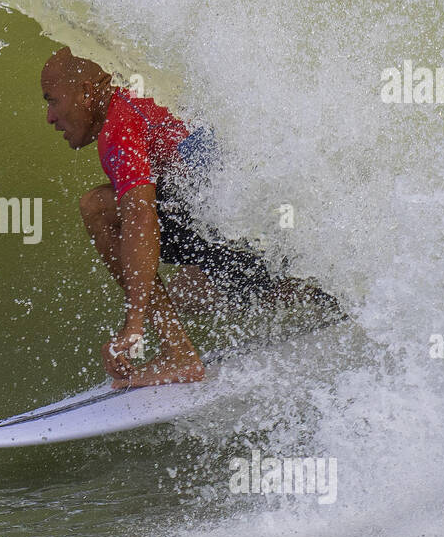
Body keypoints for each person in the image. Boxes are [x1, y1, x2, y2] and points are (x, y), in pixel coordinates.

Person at [40, 46, 337, 389]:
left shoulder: (119, 128)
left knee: (96, 206)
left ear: (86, 92)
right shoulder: (143, 91)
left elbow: (140, 217)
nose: (49, 117)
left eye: (51, 100)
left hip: (245, 230)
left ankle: (178, 354)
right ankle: (329, 291)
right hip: (267, 215)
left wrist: (133, 326)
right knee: (186, 293)